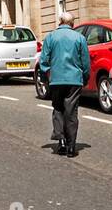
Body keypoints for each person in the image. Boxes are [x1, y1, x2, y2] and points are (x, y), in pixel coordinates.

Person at [38, 10, 91, 157]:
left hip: (56, 79)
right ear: (72, 23)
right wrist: (85, 77)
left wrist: (46, 75)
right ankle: (71, 146)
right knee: (71, 111)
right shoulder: (80, 38)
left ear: (60, 22)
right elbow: (85, 62)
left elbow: (43, 60)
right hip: (74, 79)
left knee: (58, 108)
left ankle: (60, 140)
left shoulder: (51, 37)